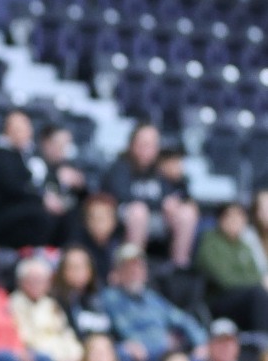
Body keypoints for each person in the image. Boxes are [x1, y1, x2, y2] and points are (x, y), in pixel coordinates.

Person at [97, 243, 206, 361]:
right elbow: (107, 330)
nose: (135, 271)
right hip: (138, 355)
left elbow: (184, 319)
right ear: (117, 272)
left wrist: (200, 343)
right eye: (129, 267)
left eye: (139, 266)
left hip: (164, 354)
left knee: (203, 356)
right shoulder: (109, 297)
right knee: (123, 354)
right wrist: (125, 344)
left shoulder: (153, 299)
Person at [104, 123, 197, 268]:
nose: (146, 150)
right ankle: (134, 266)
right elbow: (122, 198)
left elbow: (180, 196)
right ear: (132, 144)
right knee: (138, 211)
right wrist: (160, 203)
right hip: (125, 220)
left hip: (157, 218)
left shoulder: (160, 170)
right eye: (143, 144)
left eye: (152, 145)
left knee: (187, 213)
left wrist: (177, 193)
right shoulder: (120, 167)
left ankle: (179, 266)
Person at [0, 109, 74, 248]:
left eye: (27, 127)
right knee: (40, 214)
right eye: (19, 128)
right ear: (8, 130)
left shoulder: (28, 156)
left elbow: (41, 181)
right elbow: (13, 188)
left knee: (67, 213)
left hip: (25, 206)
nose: (26, 132)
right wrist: (42, 199)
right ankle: (32, 253)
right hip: (2, 212)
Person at [9, 256, 84, 361]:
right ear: (22, 282)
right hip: (42, 357)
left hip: (66, 357)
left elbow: (66, 333)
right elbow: (25, 338)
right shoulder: (14, 304)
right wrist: (61, 359)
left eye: (42, 280)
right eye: (33, 280)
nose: (38, 284)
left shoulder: (51, 304)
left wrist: (77, 355)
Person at [197, 202, 268, 332]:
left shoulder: (244, 246)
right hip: (219, 300)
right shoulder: (211, 243)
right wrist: (256, 284)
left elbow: (256, 273)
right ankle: (263, 344)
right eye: (230, 216)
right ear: (220, 219)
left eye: (240, 216)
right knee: (258, 295)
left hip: (246, 297)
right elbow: (225, 279)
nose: (235, 221)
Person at [52, 244, 108, 335]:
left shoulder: (99, 295)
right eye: (73, 267)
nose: (79, 272)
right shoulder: (55, 301)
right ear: (62, 271)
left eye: (83, 266)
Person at [74, 193, 122, 279]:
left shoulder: (121, 248)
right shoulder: (77, 250)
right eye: (92, 218)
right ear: (85, 222)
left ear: (114, 221)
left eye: (102, 218)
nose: (97, 224)